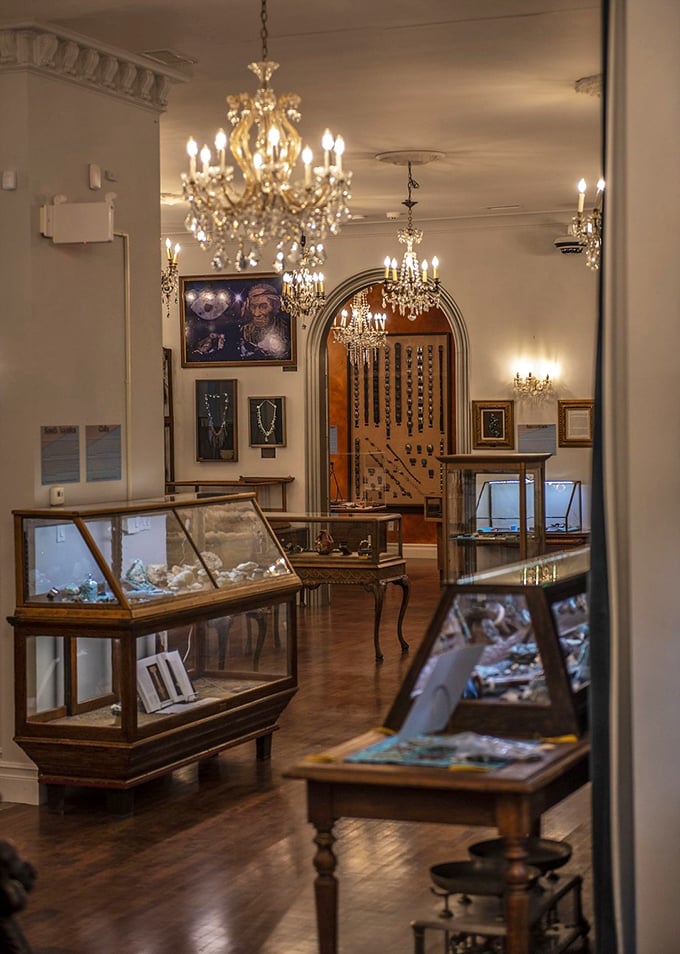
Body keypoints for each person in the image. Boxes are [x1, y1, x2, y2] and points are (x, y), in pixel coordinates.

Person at [239, 283, 290, 360]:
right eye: (253, 307)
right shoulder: (242, 331)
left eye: (263, 306)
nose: (256, 313)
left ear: (275, 307)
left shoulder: (286, 329)